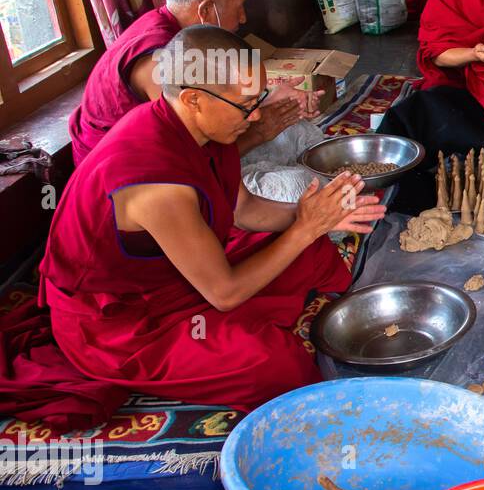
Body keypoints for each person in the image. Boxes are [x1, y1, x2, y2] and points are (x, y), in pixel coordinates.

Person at [39, 27, 385, 412]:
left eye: (259, 99)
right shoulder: (156, 183)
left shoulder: (200, 130)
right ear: (194, 99)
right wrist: (304, 228)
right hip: (125, 325)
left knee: (310, 252)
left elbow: (245, 210)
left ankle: (320, 303)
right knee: (274, 362)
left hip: (181, 269)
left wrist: (319, 218)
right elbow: (225, 294)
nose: (256, 116)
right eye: (246, 105)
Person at [68, 0, 303, 165]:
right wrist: (259, 131)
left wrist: (266, 97)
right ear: (206, 10)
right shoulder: (159, 59)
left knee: (294, 131)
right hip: (121, 173)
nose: (243, 17)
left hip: (174, 151)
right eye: (238, 7)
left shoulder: (176, 29)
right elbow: (191, 153)